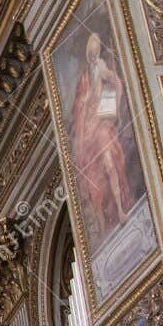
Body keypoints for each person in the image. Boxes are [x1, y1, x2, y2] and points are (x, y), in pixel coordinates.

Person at [69, 31, 137, 241]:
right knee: (93, 179)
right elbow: (77, 108)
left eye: (94, 48)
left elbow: (116, 82)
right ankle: (100, 225)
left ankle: (119, 209)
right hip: (87, 130)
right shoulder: (84, 76)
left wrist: (112, 107)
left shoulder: (100, 67)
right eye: (90, 49)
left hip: (100, 125)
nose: (92, 53)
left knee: (109, 163)